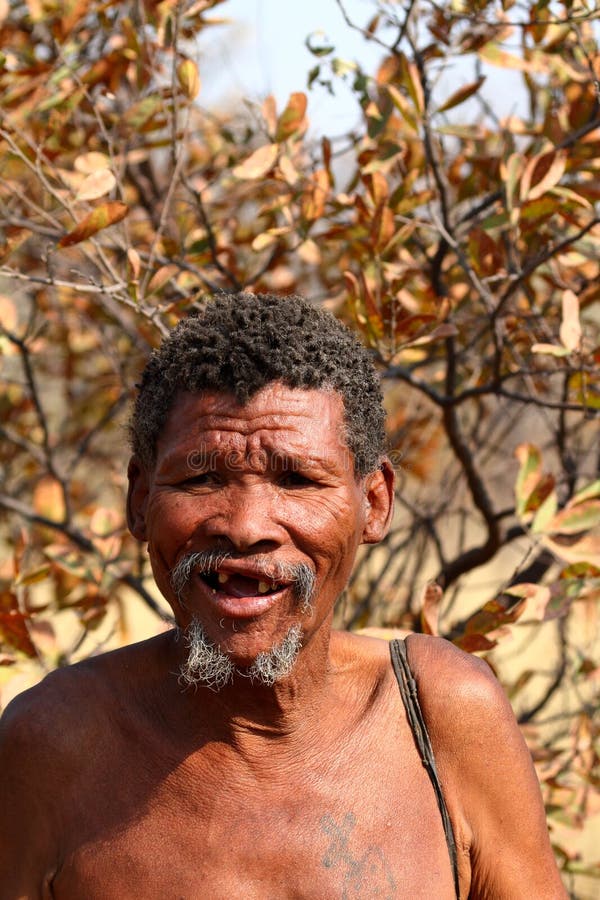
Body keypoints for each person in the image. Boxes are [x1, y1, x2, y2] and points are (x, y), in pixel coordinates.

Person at [0, 292, 566, 899]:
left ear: (373, 504)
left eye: (296, 479)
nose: (246, 525)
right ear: (140, 501)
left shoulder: (440, 716)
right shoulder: (54, 745)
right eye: (201, 478)